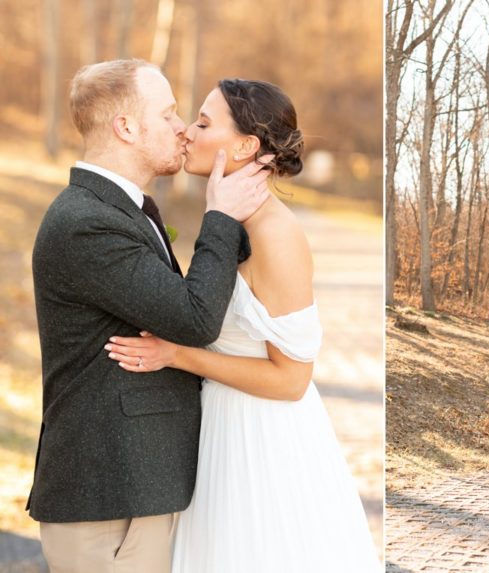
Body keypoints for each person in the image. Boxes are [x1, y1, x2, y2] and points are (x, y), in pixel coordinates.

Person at [105, 79, 381, 572]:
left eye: (204, 123)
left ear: (246, 146)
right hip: (220, 436)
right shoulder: (231, 223)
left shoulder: (277, 236)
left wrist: (176, 354)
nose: (187, 132)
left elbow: (292, 379)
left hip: (263, 445)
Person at [28, 59, 271, 573]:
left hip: (133, 492)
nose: (182, 127)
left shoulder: (121, 209)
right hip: (106, 499)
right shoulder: (85, 223)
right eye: (168, 115)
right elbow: (193, 318)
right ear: (126, 127)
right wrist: (221, 218)